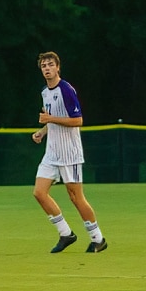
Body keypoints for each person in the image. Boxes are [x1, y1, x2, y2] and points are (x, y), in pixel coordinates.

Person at [32, 51, 108, 253]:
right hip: (51, 153)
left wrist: (50, 119)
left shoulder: (65, 89)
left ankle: (98, 239)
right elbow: (53, 119)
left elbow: (77, 120)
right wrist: (42, 132)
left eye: (50, 64)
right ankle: (66, 234)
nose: (47, 68)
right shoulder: (45, 92)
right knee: (39, 193)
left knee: (76, 197)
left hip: (69, 153)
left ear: (58, 67)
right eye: (44, 66)